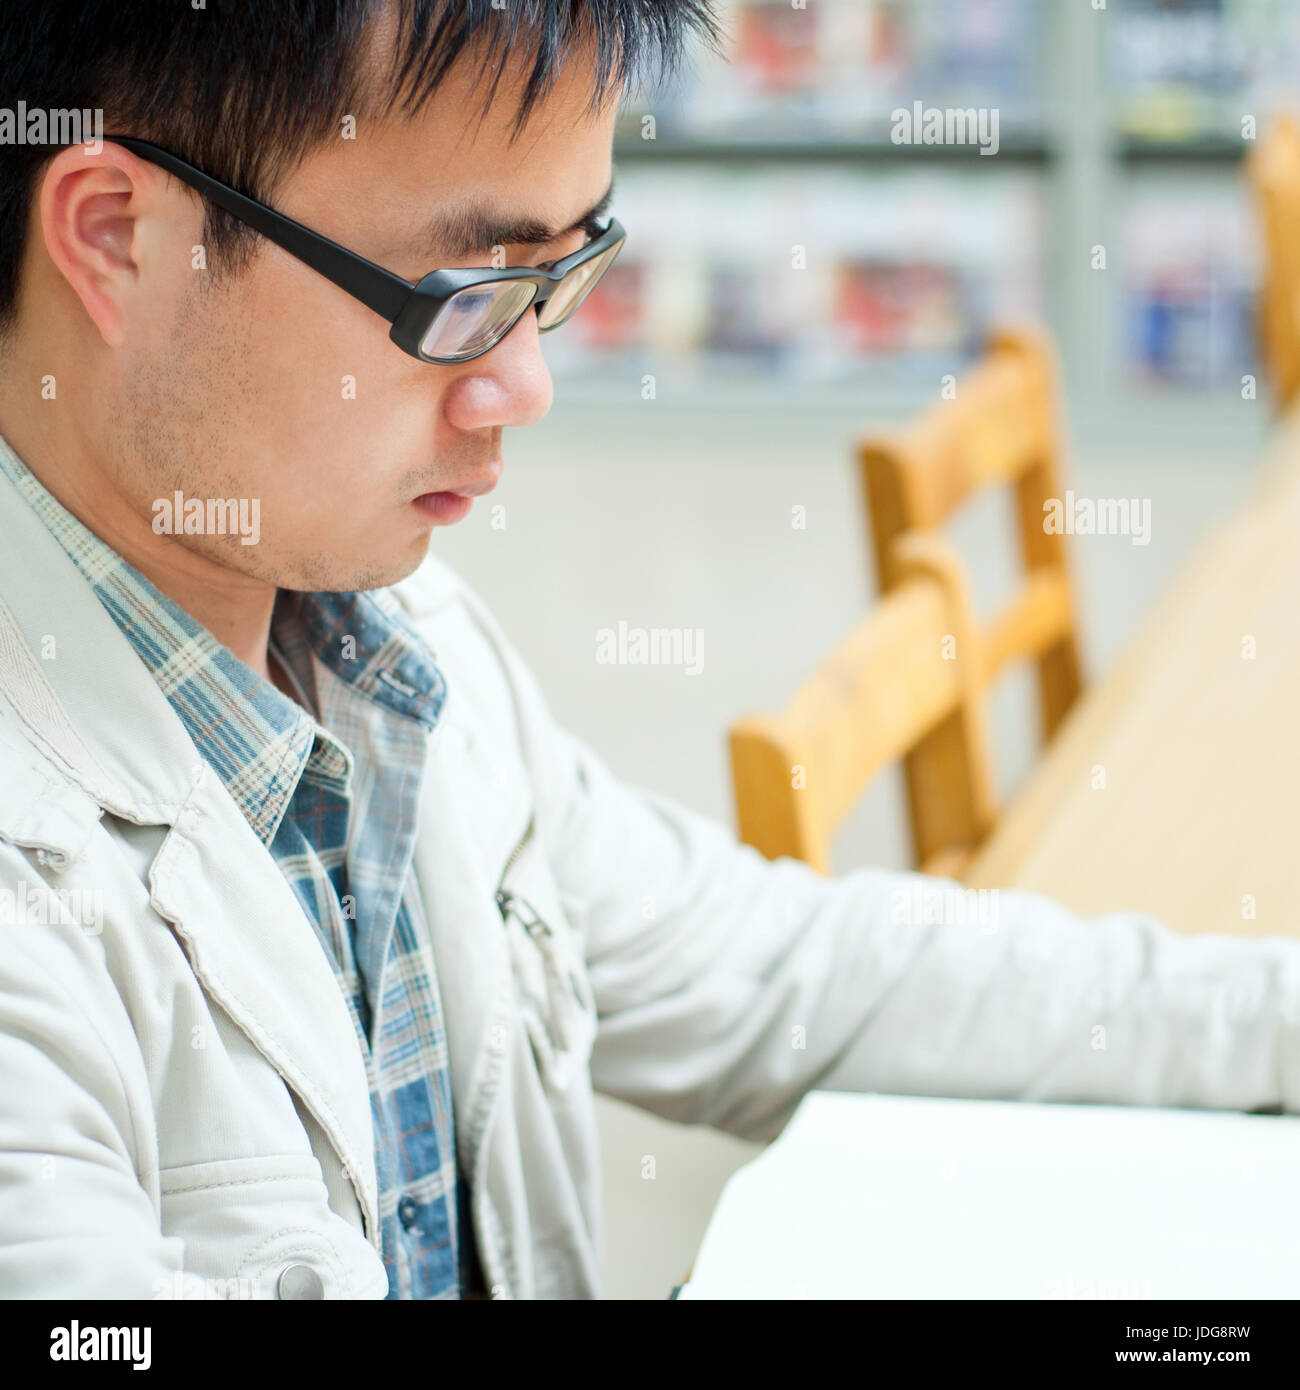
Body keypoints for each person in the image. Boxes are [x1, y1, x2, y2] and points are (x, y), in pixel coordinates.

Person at [0, 1, 1296, 1302]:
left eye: (561, 274)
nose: (525, 386)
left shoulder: (381, 642)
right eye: (463, 295)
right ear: (121, 238)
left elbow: (782, 970)